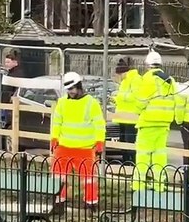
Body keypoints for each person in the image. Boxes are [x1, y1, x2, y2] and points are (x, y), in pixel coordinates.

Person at [50, 71, 106, 210]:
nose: (70, 92)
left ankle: (91, 203)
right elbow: (57, 122)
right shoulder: (62, 102)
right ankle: (59, 202)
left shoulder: (91, 103)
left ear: (79, 86)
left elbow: (99, 124)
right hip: (63, 147)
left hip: (85, 149)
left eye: (72, 89)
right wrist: (54, 138)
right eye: (68, 89)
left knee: (89, 179)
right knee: (58, 177)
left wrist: (100, 141)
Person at [130, 50, 181, 192]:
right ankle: (159, 185)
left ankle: (139, 185)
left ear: (147, 65)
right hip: (164, 124)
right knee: (160, 156)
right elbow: (179, 100)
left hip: (148, 123)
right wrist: (178, 118)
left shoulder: (148, 79)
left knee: (143, 155)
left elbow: (141, 102)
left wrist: (137, 110)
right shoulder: (170, 80)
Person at [110, 58, 141, 162]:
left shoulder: (136, 79)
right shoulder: (124, 81)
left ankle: (132, 164)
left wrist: (119, 97)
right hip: (122, 117)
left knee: (130, 144)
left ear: (123, 72)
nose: (118, 78)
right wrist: (115, 98)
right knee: (123, 144)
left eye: (118, 75)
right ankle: (126, 163)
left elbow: (135, 96)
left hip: (131, 117)